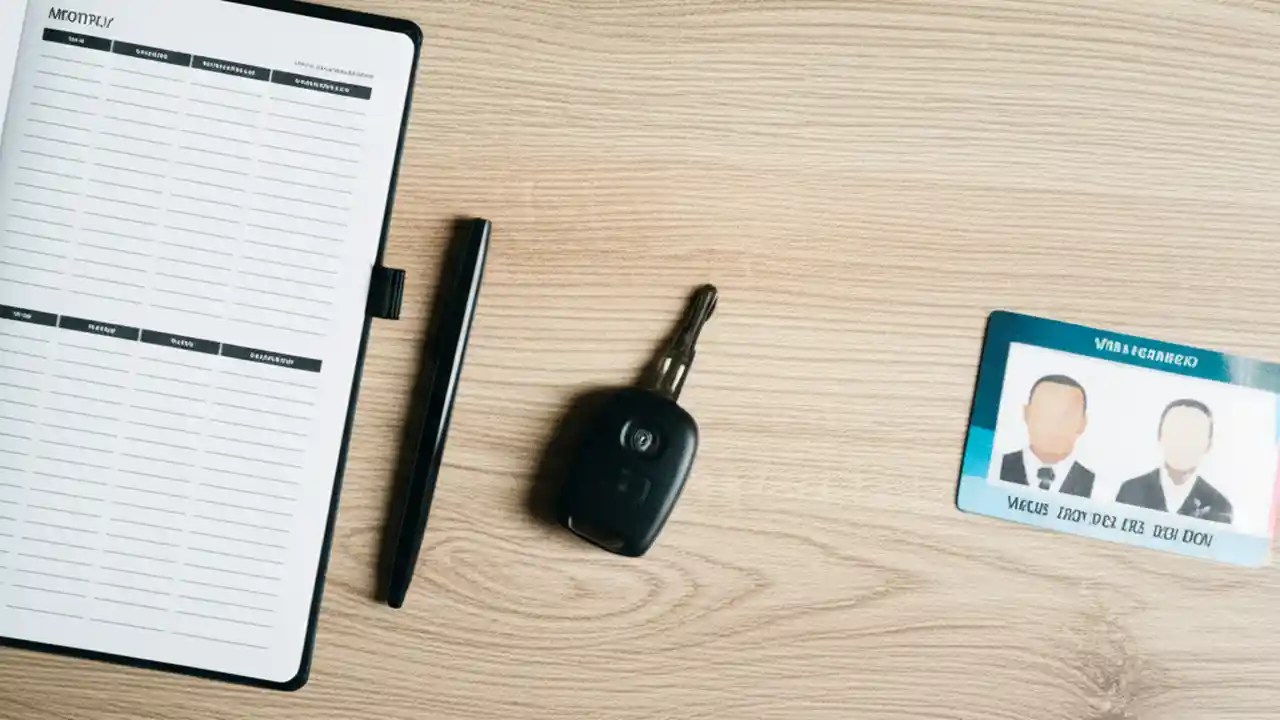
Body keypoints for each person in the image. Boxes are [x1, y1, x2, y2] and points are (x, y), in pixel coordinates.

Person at [1116, 399, 1232, 524]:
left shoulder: (1219, 505)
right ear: (1160, 437)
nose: (1183, 442)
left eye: (1194, 433)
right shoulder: (1131, 490)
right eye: (1176, 430)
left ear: (1208, 445)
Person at [999, 374, 1095, 497]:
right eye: (1045, 412)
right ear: (1026, 413)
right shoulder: (996, 467)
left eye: (1066, 415)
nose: (1055, 425)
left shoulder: (1099, 488)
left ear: (1083, 423)